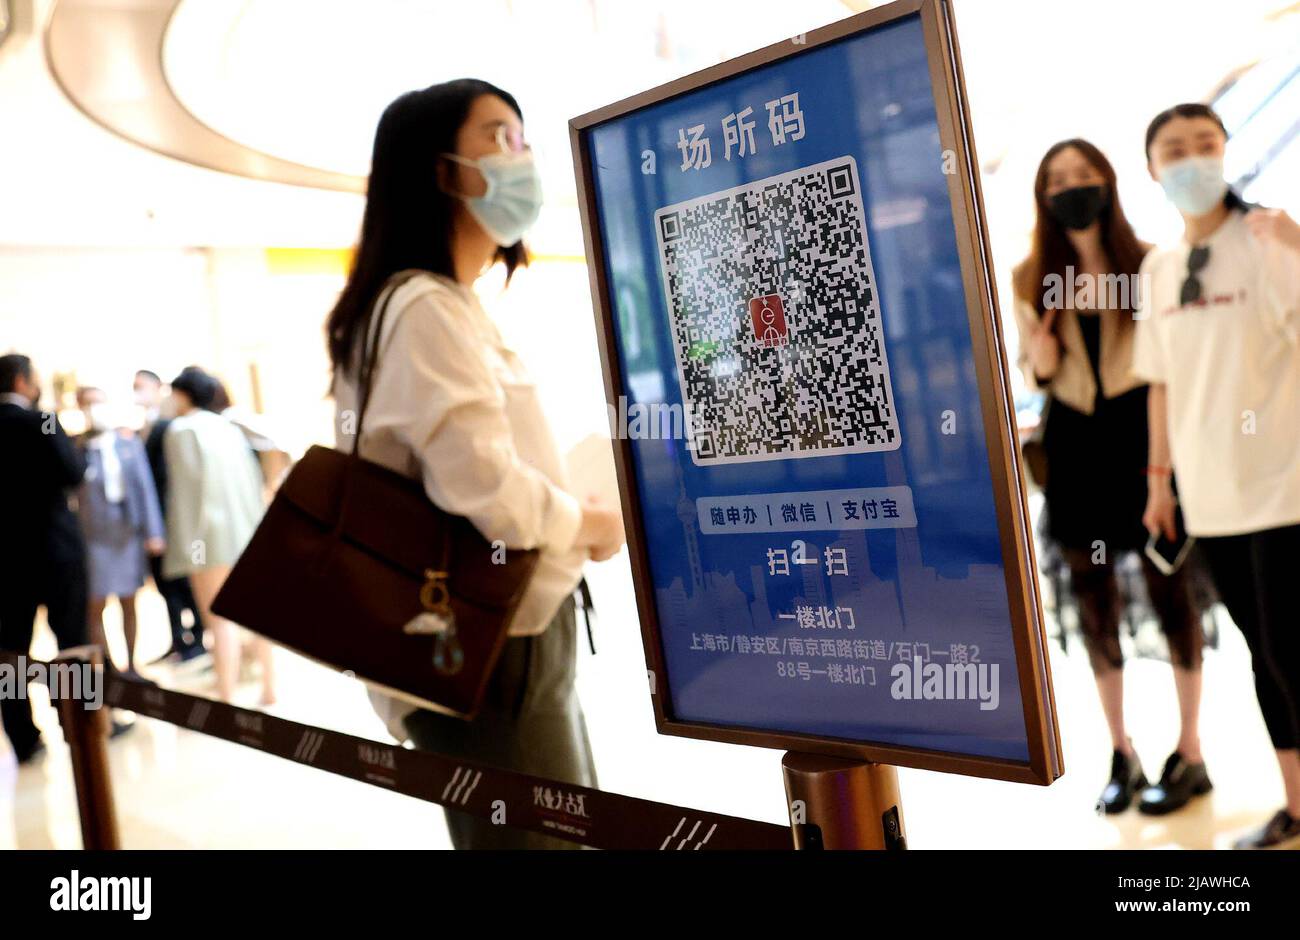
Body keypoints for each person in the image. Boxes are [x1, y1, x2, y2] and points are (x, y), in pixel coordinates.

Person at [325, 79, 624, 849]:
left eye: (523, 139)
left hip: (502, 642)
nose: (521, 159)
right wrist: (588, 522)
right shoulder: (422, 307)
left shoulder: (442, 304)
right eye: (500, 137)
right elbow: (487, 491)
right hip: (492, 654)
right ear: (442, 171)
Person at [1012, 139, 1206, 816]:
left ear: (1107, 182)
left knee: (1170, 588)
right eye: (1057, 180)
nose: (1072, 188)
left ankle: (1190, 750)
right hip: (1074, 445)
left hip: (1144, 438)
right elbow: (1034, 372)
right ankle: (1121, 751)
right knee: (1094, 601)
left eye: (1083, 175)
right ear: (1043, 196)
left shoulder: (1149, 264)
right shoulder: (1029, 276)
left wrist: (1164, 473)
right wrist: (1042, 346)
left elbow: (1174, 361)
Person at [1135, 102, 1300, 849]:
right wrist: (1159, 483)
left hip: (1285, 483)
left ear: (1228, 152)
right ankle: (1296, 806)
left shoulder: (1267, 237)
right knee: (1264, 656)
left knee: (1294, 650)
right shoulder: (1160, 267)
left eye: (1207, 144)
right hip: (1209, 495)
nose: (1193, 159)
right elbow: (1160, 381)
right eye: (1176, 149)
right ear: (1152, 168)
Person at [161, 366, 274, 704]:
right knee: (255, 614)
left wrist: (182, 547)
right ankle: (269, 687)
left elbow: (184, 494)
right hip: (245, 534)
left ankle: (226, 694)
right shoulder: (229, 426)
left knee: (218, 620)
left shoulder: (182, 430)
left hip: (206, 540)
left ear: (183, 394)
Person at [0, 355, 89, 763]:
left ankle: (23, 736)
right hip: (55, 550)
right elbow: (73, 471)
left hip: (6, 559)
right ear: (22, 381)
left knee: (10, 649)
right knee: (72, 638)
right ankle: (81, 722)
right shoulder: (44, 421)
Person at [74, 386, 165, 675]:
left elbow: (145, 489)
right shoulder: (78, 447)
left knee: (129, 600)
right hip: (93, 537)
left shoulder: (128, 443)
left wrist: (154, 532)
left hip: (126, 534)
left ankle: (132, 664)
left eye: (98, 403)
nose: (94, 409)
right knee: (96, 605)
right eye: (88, 404)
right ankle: (109, 666)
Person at [134, 369, 207, 665]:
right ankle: (179, 638)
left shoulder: (171, 426)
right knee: (166, 583)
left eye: (142, 386)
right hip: (154, 516)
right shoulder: (145, 427)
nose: (137, 392)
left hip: (170, 515)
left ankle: (197, 638)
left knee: (183, 582)